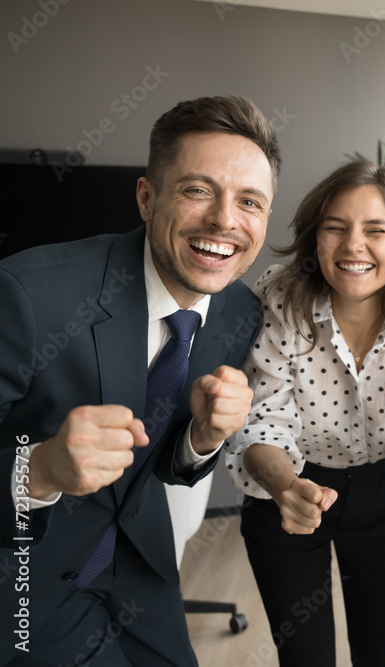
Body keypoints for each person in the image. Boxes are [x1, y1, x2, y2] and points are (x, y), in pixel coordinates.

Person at [0, 95, 280, 666]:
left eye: (249, 201)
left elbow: (164, 462)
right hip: (24, 578)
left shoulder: (238, 314)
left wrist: (202, 439)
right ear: (147, 197)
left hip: (138, 567)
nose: (226, 221)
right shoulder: (26, 295)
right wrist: (42, 467)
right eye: (198, 190)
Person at [224, 160, 385, 667]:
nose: (353, 246)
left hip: (384, 491)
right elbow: (264, 420)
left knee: (378, 652)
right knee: (304, 656)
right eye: (335, 228)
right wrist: (287, 486)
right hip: (285, 487)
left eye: (376, 231)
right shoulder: (283, 297)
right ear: (316, 239)